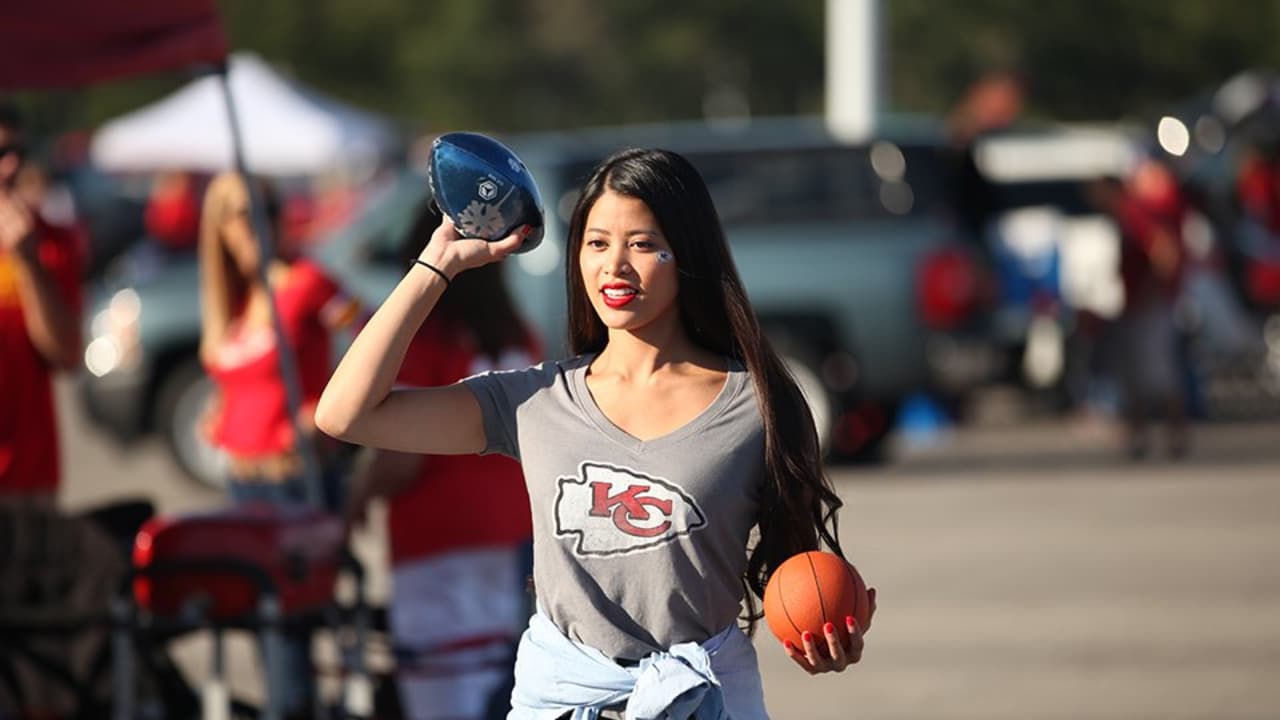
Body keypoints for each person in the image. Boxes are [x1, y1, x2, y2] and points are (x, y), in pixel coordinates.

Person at [317, 148, 877, 718]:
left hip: (704, 696)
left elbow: (795, 568)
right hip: (559, 700)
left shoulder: (757, 404)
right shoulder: (535, 399)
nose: (615, 267)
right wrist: (435, 267)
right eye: (597, 243)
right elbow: (346, 415)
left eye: (641, 243)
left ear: (687, 252)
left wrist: (821, 630)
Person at [344, 203, 541, 720]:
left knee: (444, 697)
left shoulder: (425, 336)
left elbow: (401, 459)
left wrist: (356, 499)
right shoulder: (517, 332)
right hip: (515, 535)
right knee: (508, 689)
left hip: (439, 540)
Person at [197, 171, 356, 716]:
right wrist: (223, 411)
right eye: (242, 214)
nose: (257, 226)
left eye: (267, 209)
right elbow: (238, 376)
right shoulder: (234, 301)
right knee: (257, 624)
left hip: (296, 476)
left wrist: (329, 408)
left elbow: (377, 337)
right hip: (241, 479)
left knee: (288, 627)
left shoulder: (307, 281)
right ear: (218, 227)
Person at [0, 99, 83, 508]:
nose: (10, 168)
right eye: (0, 154)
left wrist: (28, 263)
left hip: (29, 481)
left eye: (18, 154)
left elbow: (66, 355)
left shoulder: (50, 241)